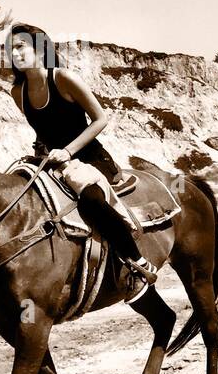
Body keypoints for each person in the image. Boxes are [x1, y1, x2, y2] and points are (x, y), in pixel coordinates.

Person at [8, 23, 157, 285]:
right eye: (10, 49)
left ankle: (136, 261)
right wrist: (41, 153)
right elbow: (43, 130)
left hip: (90, 157)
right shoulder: (18, 92)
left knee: (90, 199)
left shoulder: (64, 78)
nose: (15, 53)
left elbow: (100, 119)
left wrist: (67, 151)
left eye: (21, 46)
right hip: (54, 162)